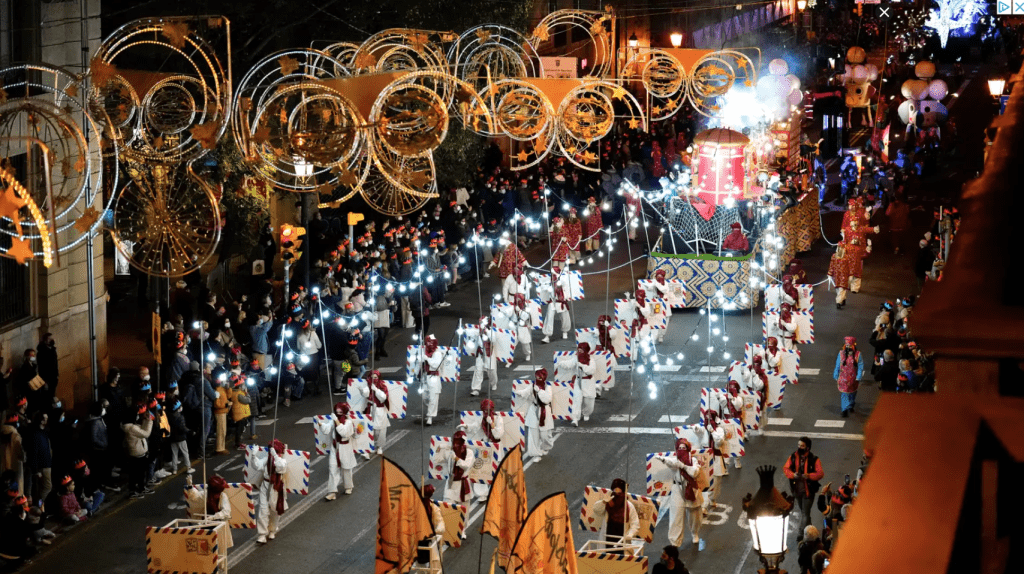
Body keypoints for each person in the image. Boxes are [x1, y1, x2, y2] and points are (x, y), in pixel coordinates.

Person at [655, 438, 705, 551]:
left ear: (688, 449)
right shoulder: (675, 461)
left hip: (691, 489)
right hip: (677, 488)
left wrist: (683, 466)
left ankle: (695, 533)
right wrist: (663, 459)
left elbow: (695, 473)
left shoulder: (693, 461)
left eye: (684, 448)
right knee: (675, 516)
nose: (682, 450)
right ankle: (675, 542)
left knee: (694, 516)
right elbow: (670, 462)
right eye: (679, 448)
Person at [783, 437, 824, 541]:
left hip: (808, 491)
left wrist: (809, 476)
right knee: (804, 512)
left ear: (808, 448)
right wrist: (793, 475)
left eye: (802, 446)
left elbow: (820, 474)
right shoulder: (793, 456)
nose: (799, 447)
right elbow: (786, 469)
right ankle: (810, 530)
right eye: (799, 445)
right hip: (796, 491)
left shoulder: (814, 459)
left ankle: (801, 534)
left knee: (805, 513)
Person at [254, 439, 289, 544]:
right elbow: (257, 466)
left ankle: (272, 529)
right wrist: (253, 456)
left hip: (276, 487)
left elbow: (281, 468)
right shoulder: (267, 459)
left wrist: (275, 455)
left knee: (274, 510)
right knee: (263, 510)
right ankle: (262, 534)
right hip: (265, 485)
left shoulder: (282, 460)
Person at [515, 369, 553, 462]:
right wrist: (517, 392)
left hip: (544, 411)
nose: (538, 378)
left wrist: (539, 391)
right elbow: (525, 392)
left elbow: (547, 399)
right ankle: (536, 454)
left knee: (545, 435)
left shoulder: (548, 387)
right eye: (536, 377)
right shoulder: (532, 385)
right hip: (534, 410)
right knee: (533, 434)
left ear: (544, 377)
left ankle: (546, 447)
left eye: (540, 377)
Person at [322, 402, 357, 500]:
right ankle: (332, 491)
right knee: (333, 469)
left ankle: (348, 486)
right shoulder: (334, 420)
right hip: (335, 447)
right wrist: (321, 425)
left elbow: (344, 433)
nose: (338, 412)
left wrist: (336, 420)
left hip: (345, 448)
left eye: (340, 410)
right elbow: (327, 429)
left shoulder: (348, 422)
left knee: (346, 469)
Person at [591, 477, 639, 546]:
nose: (617, 495)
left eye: (619, 493)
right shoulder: (608, 503)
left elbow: (635, 524)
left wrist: (630, 535)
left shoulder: (629, 506)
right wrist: (603, 502)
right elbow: (596, 510)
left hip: (622, 543)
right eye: (615, 492)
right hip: (607, 541)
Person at [122, 405, 154, 499]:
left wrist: (145, 420)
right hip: (137, 453)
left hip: (138, 452)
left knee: (140, 472)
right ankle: (133, 491)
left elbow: (141, 430)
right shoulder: (132, 428)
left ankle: (141, 488)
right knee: (136, 473)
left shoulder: (131, 426)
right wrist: (149, 421)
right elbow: (146, 433)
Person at [419, 335, 448, 426]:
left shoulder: (437, 353)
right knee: (424, 397)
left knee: (433, 398)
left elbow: (435, 366)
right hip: (425, 376)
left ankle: (430, 416)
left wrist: (427, 359)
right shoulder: (424, 352)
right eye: (427, 342)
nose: (429, 344)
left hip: (434, 377)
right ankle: (429, 410)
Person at [442, 429, 474, 507]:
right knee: (447, 509)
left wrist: (456, 458)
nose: (455, 445)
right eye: (454, 441)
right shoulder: (450, 450)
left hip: (463, 485)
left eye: (458, 442)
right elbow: (439, 461)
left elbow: (466, 466)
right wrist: (439, 449)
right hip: (451, 483)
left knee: (464, 514)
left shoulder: (469, 452)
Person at [833, 336, 864, 417]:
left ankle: (850, 405)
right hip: (843, 377)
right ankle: (844, 410)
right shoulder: (841, 353)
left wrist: (859, 376)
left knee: (852, 393)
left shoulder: (858, 355)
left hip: (853, 379)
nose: (848, 348)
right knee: (844, 394)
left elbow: (860, 366)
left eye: (850, 346)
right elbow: (837, 365)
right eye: (847, 346)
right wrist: (836, 374)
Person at [362, 370, 390, 455]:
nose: (374, 379)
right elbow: (365, 395)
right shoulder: (367, 385)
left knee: (379, 431)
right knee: (368, 429)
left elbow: (383, 398)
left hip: (380, 410)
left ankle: (379, 446)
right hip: (370, 409)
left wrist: (376, 390)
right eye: (372, 377)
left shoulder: (382, 386)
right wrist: (365, 391)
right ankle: (367, 448)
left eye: (375, 377)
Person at [541, 266, 572, 343]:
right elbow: (544, 288)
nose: (552, 275)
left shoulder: (562, 279)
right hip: (553, 302)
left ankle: (565, 332)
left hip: (561, 301)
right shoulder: (549, 280)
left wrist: (558, 279)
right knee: (549, 317)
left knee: (565, 317)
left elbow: (565, 285)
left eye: (553, 273)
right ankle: (547, 336)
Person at [468, 317, 498, 397]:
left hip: (488, 353)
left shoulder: (490, 330)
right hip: (480, 353)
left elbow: (494, 340)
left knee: (491, 371)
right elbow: (471, 334)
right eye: (480, 322)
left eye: (483, 322)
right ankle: (475, 389)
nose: (481, 324)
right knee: (478, 370)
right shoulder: (477, 330)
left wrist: (487, 333)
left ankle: (493, 383)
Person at [574, 342, 598, 424]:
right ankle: (576, 416)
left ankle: (586, 413)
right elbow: (569, 364)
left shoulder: (591, 360)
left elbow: (591, 370)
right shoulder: (575, 358)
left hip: (588, 382)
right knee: (576, 400)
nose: (580, 351)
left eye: (582, 349)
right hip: (578, 381)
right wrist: (560, 363)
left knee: (589, 401)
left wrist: (582, 365)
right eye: (579, 349)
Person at [1, 413, 25, 497]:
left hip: (2, 467)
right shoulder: (15, 435)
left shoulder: (1, 432)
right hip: (13, 466)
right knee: (15, 492)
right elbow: (19, 453)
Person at [229, 377, 252, 450]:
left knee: (240, 429)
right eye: (243, 384)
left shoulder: (236, 392)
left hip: (239, 414)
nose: (244, 385)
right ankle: (238, 444)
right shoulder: (239, 394)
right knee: (239, 430)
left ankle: (238, 443)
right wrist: (247, 393)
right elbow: (248, 400)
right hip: (240, 415)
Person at [512, 294, 533, 364]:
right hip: (514, 327)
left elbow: (526, 316)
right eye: (517, 299)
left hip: (523, 327)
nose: (518, 300)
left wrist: (520, 312)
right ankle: (509, 356)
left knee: (525, 342)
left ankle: (527, 354)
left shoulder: (526, 307)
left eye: (519, 299)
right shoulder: (513, 307)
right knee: (512, 342)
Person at [213, 377, 232, 455]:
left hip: (223, 411)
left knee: (223, 431)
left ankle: (222, 447)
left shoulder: (222, 389)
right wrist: (225, 405)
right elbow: (216, 404)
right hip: (220, 412)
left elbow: (229, 396)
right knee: (221, 431)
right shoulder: (217, 390)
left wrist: (228, 388)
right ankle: (220, 448)